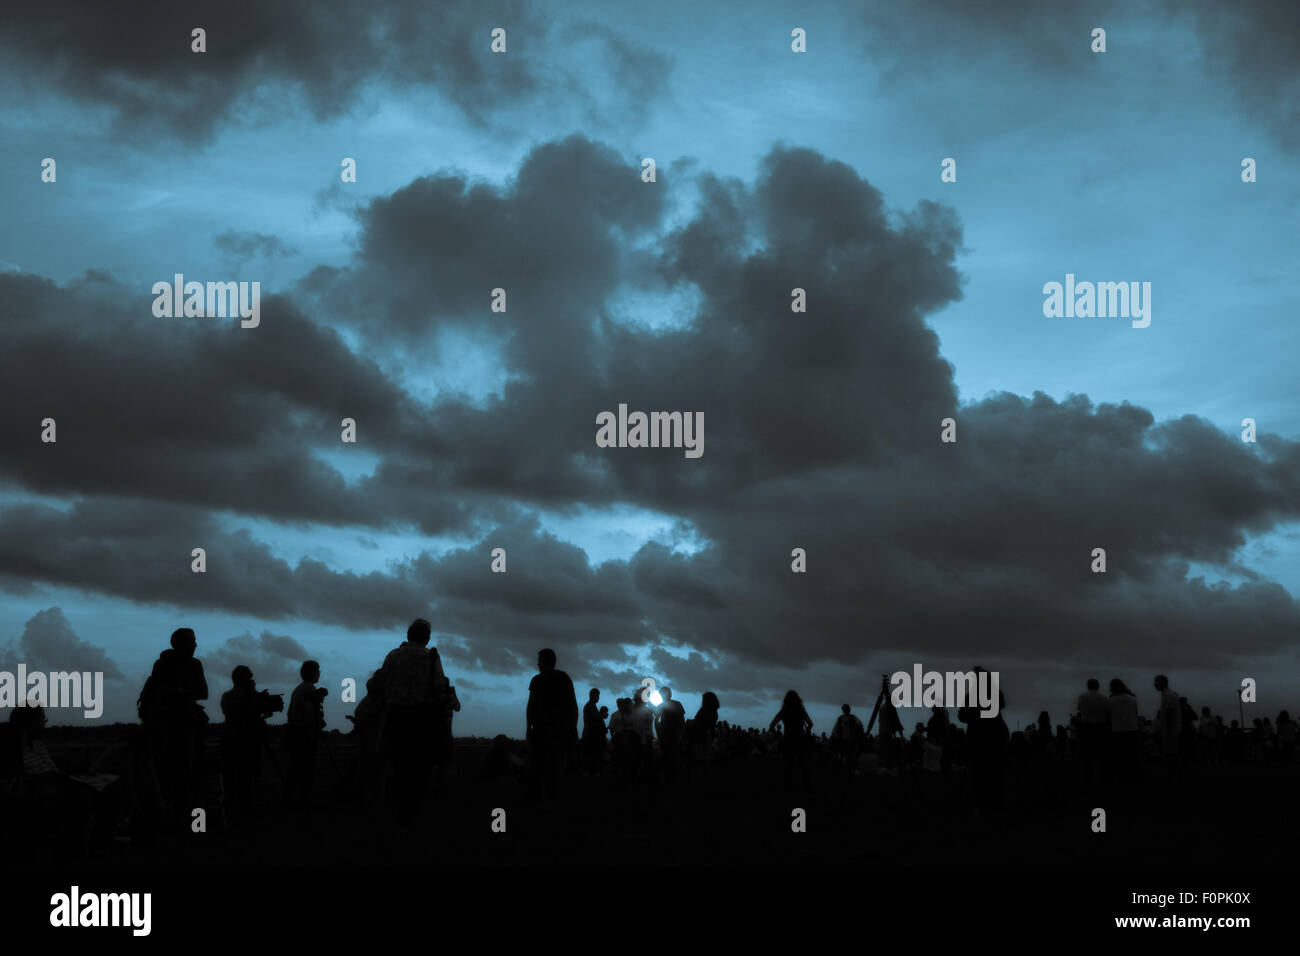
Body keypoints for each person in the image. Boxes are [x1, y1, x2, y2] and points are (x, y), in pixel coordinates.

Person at [373, 619, 439, 824]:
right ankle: (411, 809)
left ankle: (394, 805)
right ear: (427, 638)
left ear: (408, 635)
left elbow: (380, 681)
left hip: (396, 714)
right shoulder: (431, 658)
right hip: (421, 716)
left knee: (395, 762)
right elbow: (438, 686)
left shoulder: (393, 655)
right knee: (419, 765)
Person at [141, 627, 209, 815]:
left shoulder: (168, 664)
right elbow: (201, 693)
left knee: (177, 770)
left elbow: (203, 693)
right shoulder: (172, 665)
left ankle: (175, 810)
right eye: (192, 641)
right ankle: (181, 812)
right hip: (173, 726)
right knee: (180, 771)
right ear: (181, 644)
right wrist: (182, 694)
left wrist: (178, 693)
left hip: (177, 724)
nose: (196, 644)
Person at [219, 665, 282, 822]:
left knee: (237, 778)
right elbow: (241, 716)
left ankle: (235, 810)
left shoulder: (227, 696)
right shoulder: (238, 698)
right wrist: (254, 699)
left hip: (235, 740)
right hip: (242, 741)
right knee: (242, 777)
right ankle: (241, 810)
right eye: (250, 680)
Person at [525, 648, 578, 800]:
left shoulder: (539, 680)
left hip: (548, 728)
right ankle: (549, 795)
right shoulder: (563, 678)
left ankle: (544, 795)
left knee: (544, 764)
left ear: (544, 661)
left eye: (539, 660)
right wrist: (573, 727)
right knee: (552, 764)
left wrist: (529, 727)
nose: (537, 664)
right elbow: (572, 706)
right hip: (555, 728)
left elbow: (531, 706)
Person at [958, 667, 1008, 811]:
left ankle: (982, 802)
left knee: (979, 772)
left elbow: (962, 716)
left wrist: (975, 715)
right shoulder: (996, 694)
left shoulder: (971, 697)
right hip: (994, 737)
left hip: (979, 738)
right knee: (994, 772)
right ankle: (995, 801)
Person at [286, 660, 325, 810]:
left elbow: (291, 713)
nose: (319, 673)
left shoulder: (298, 690)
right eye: (317, 670)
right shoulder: (309, 690)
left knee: (295, 768)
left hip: (297, 732)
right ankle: (302, 799)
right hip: (305, 734)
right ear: (312, 673)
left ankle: (293, 798)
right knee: (305, 768)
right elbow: (308, 716)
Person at [770, 690, 813, 793]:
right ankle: (805, 788)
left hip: (788, 740)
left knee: (788, 766)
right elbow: (810, 724)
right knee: (803, 766)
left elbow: (772, 725)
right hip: (800, 740)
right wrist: (806, 730)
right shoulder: (801, 711)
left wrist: (777, 736)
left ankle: (787, 788)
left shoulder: (783, 711)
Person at [1076, 678, 1109, 786]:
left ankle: (1088, 780)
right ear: (1098, 686)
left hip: (1087, 728)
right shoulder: (1104, 698)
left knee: (1086, 755)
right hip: (1100, 728)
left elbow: (1079, 709)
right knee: (1100, 755)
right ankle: (1101, 779)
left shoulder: (1082, 697)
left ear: (1088, 686)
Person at [686, 692, 720, 783]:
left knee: (698, 760)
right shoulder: (715, 712)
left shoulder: (703, 710)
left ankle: (699, 780)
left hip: (699, 736)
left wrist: (689, 722)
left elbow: (697, 722)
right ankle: (706, 780)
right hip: (707, 736)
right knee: (705, 760)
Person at [655, 687, 687, 783]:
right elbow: (682, 720)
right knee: (672, 757)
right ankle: (672, 778)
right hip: (670, 734)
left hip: (668, 734)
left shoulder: (662, 705)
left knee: (669, 757)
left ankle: (669, 778)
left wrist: (658, 731)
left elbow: (656, 720)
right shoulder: (677, 704)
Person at [1153, 675, 1182, 780]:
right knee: (1171, 753)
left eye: (1156, 682)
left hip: (1171, 729)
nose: (1154, 685)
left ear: (1162, 683)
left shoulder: (1168, 696)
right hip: (1172, 728)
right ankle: (1174, 773)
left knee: (1171, 753)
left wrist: (1167, 730)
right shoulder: (1168, 694)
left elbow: (1169, 713)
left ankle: (1174, 774)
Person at [832, 704, 864, 780]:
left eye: (845, 708)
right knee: (847, 757)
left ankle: (851, 772)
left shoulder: (851, 718)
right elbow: (835, 730)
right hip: (845, 741)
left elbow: (860, 726)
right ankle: (849, 772)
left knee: (852, 757)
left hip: (852, 741)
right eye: (844, 708)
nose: (845, 710)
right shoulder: (841, 719)